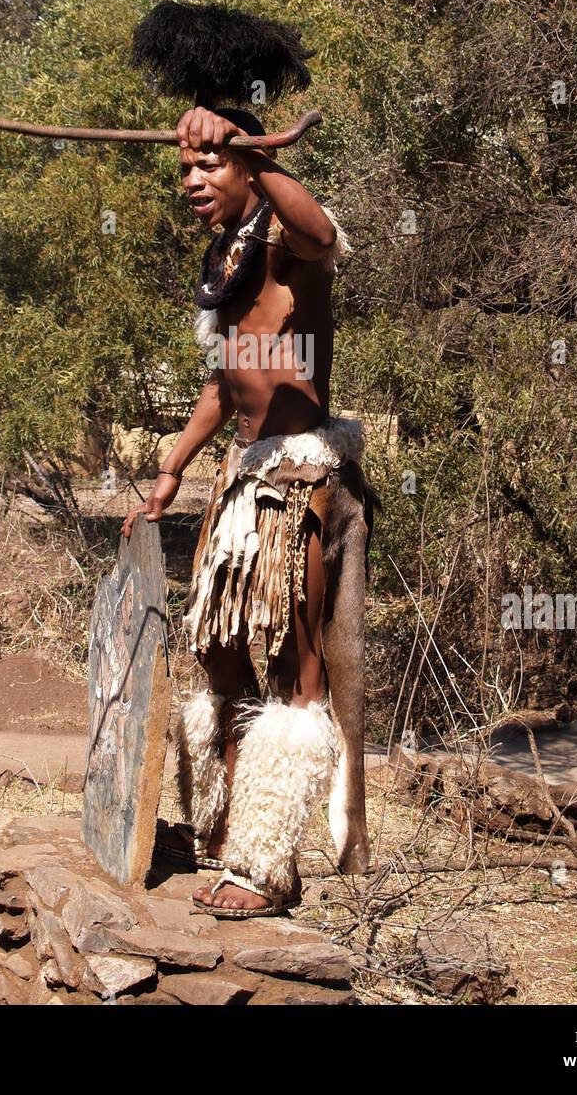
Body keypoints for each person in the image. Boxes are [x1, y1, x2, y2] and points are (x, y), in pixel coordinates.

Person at [123, 99, 377, 919]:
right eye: (185, 170)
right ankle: (229, 826)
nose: (193, 180)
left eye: (209, 165)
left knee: (295, 668)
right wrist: (171, 470)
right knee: (221, 653)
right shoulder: (225, 257)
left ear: (246, 163)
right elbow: (225, 381)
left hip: (297, 482)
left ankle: (269, 865)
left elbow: (324, 232)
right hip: (242, 481)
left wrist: (259, 154)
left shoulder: (285, 242)